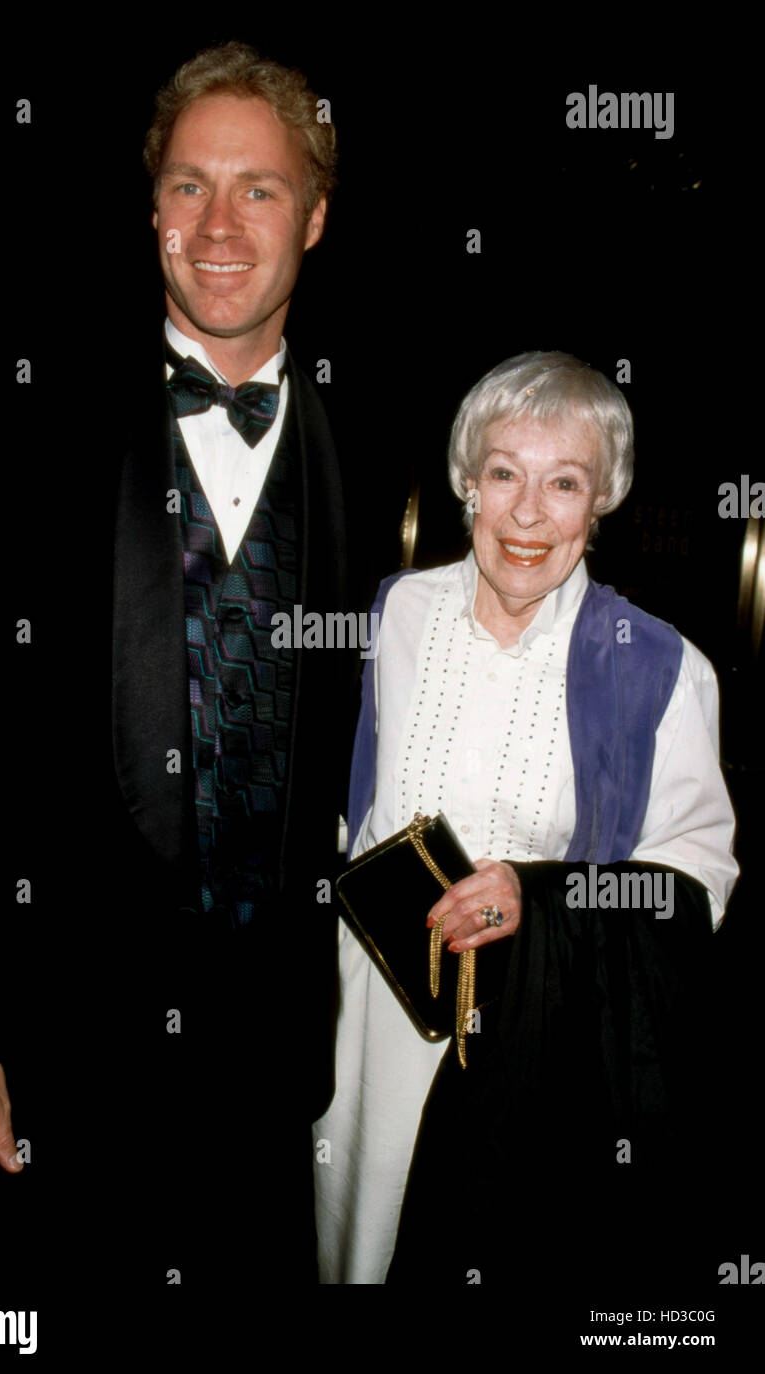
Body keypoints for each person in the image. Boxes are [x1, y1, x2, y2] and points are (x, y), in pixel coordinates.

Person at [0, 42, 350, 1285]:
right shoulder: (24, 418)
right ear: (149, 204)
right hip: (59, 1057)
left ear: (314, 218)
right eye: (187, 185)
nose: (219, 224)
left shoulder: (379, 451)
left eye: (259, 189)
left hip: (272, 1075)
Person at [313, 350, 737, 1286]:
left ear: (603, 502)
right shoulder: (393, 613)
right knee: (354, 1252)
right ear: (468, 482)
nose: (529, 513)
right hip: (367, 1030)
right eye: (504, 473)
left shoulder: (660, 670)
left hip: (528, 1046)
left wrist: (540, 899)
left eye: (565, 482)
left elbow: (696, 886)